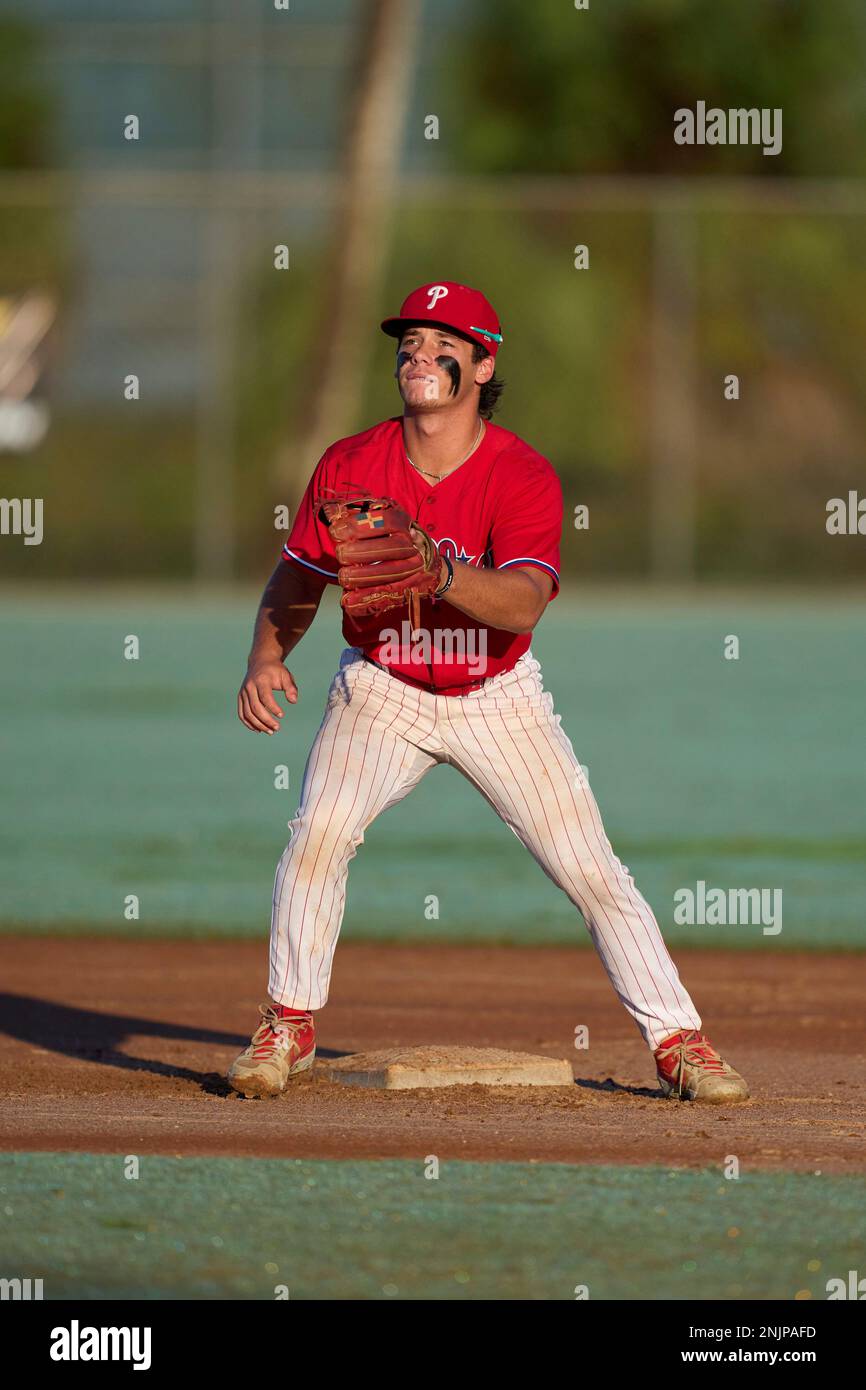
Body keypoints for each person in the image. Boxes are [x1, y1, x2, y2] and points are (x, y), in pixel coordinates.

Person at [228, 280, 749, 1106]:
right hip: (383, 685)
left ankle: (679, 1041)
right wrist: (265, 656)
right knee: (318, 834)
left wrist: (439, 571)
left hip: (496, 692)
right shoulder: (351, 461)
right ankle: (288, 1025)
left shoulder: (522, 474)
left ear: (482, 362)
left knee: (590, 870)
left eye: (442, 343)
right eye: (408, 341)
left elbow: (525, 602)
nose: (418, 355)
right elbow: (300, 571)